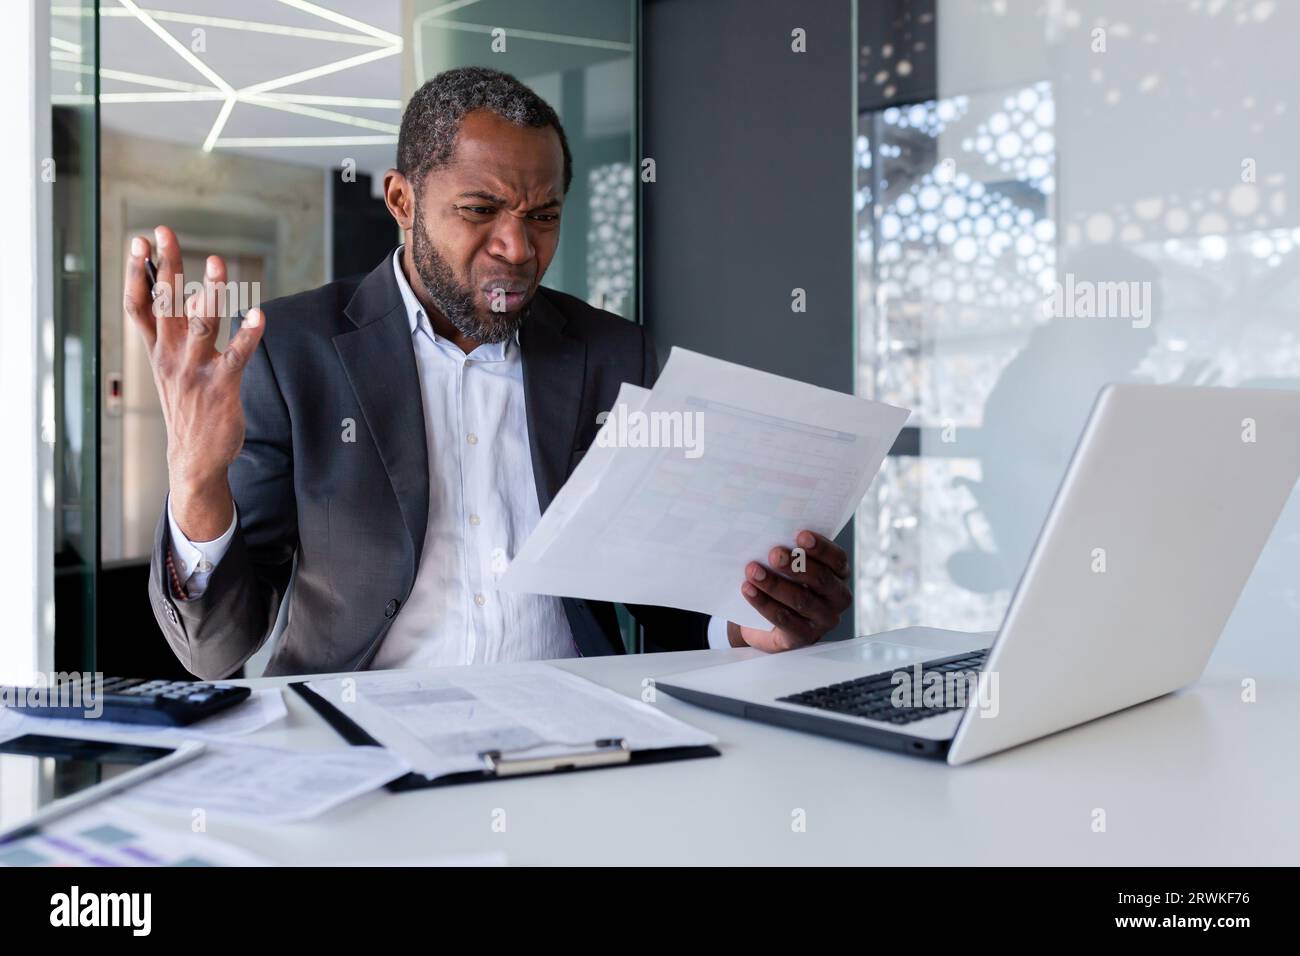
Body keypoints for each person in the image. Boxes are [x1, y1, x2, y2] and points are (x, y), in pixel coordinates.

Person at [124, 67, 851, 679]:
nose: (518, 246)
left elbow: (661, 605)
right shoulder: (290, 350)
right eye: (481, 209)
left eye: (543, 215)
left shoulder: (612, 354)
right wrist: (195, 478)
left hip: (575, 736)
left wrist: (751, 626)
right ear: (402, 201)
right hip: (367, 747)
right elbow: (215, 651)